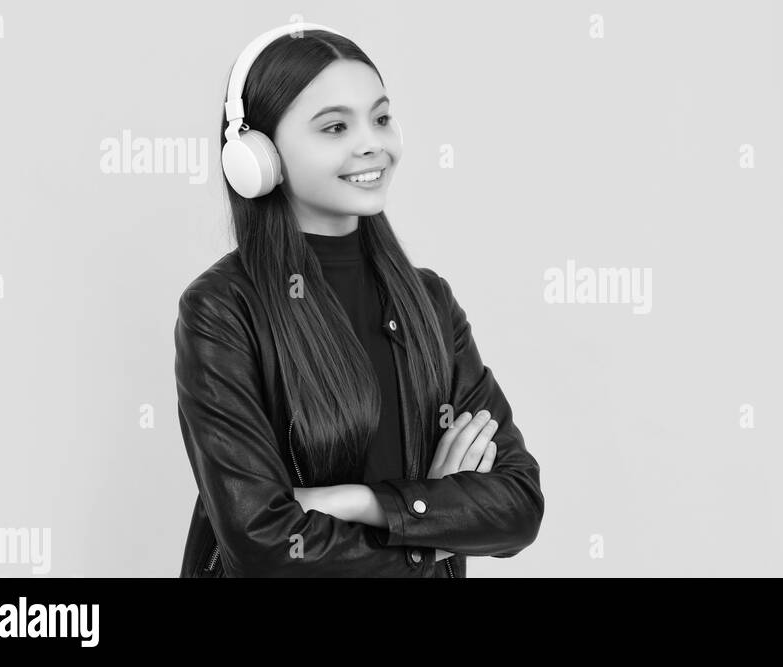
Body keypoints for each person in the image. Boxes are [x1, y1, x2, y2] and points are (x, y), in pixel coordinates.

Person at [174, 23, 543, 577]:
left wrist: (361, 502)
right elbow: (265, 548)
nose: (371, 142)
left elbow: (517, 503)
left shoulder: (430, 301)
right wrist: (432, 521)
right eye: (335, 127)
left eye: (382, 117)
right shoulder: (222, 310)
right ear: (259, 156)